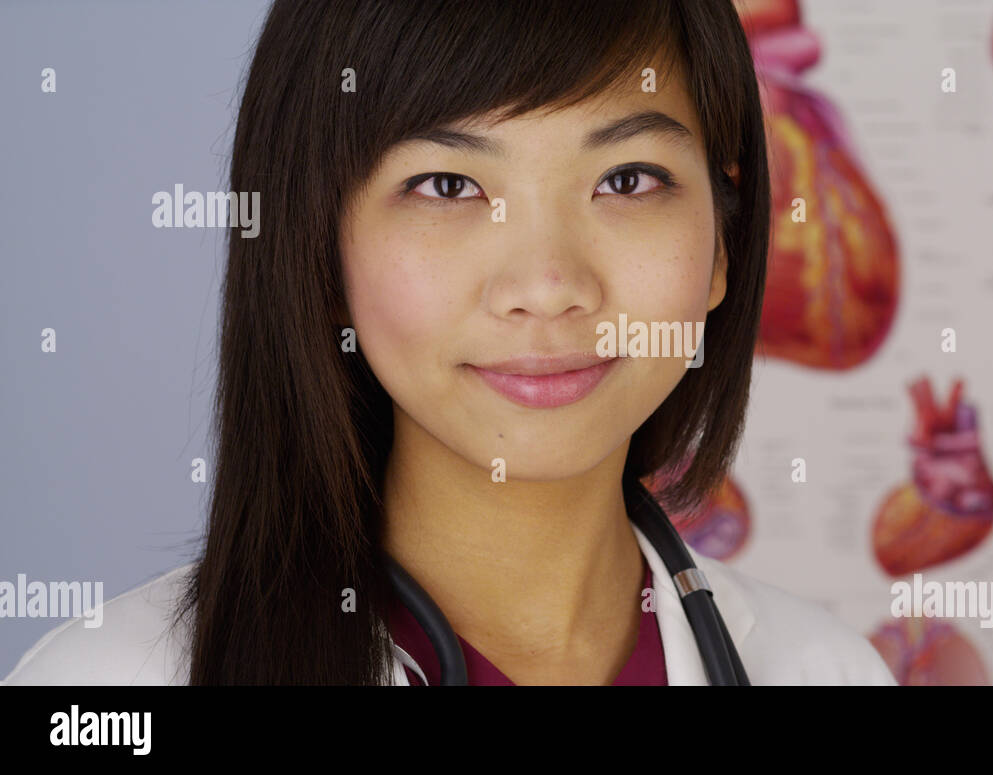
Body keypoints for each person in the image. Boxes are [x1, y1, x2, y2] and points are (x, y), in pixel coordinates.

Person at [4, 0, 894, 686]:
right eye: (447, 184)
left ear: (723, 243)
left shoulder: (828, 670)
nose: (546, 285)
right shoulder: (108, 687)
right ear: (321, 243)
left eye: (627, 178)